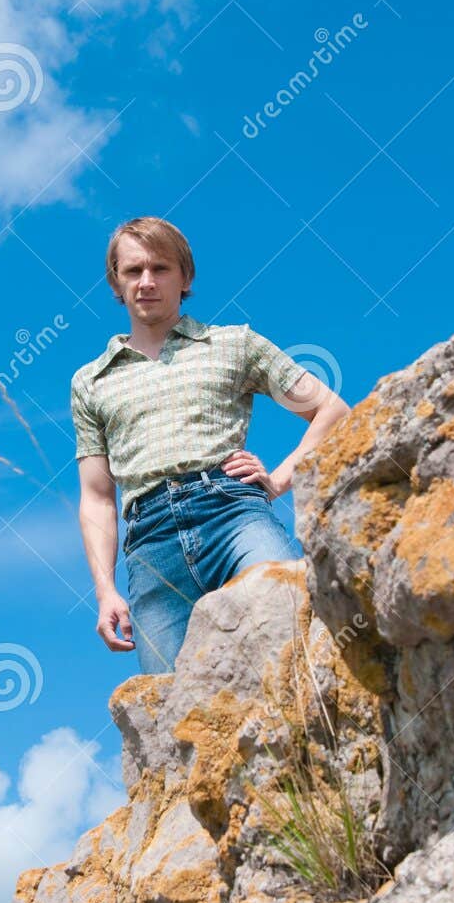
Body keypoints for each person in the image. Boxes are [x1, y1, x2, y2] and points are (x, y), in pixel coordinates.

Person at [70, 216, 350, 674]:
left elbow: (333, 410)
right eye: (132, 271)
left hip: (233, 512)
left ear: (185, 278)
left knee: (289, 625)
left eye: (160, 268)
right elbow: (98, 496)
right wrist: (104, 590)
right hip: (150, 542)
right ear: (115, 283)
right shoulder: (90, 381)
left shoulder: (235, 344)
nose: (146, 282)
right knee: (171, 707)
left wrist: (278, 480)